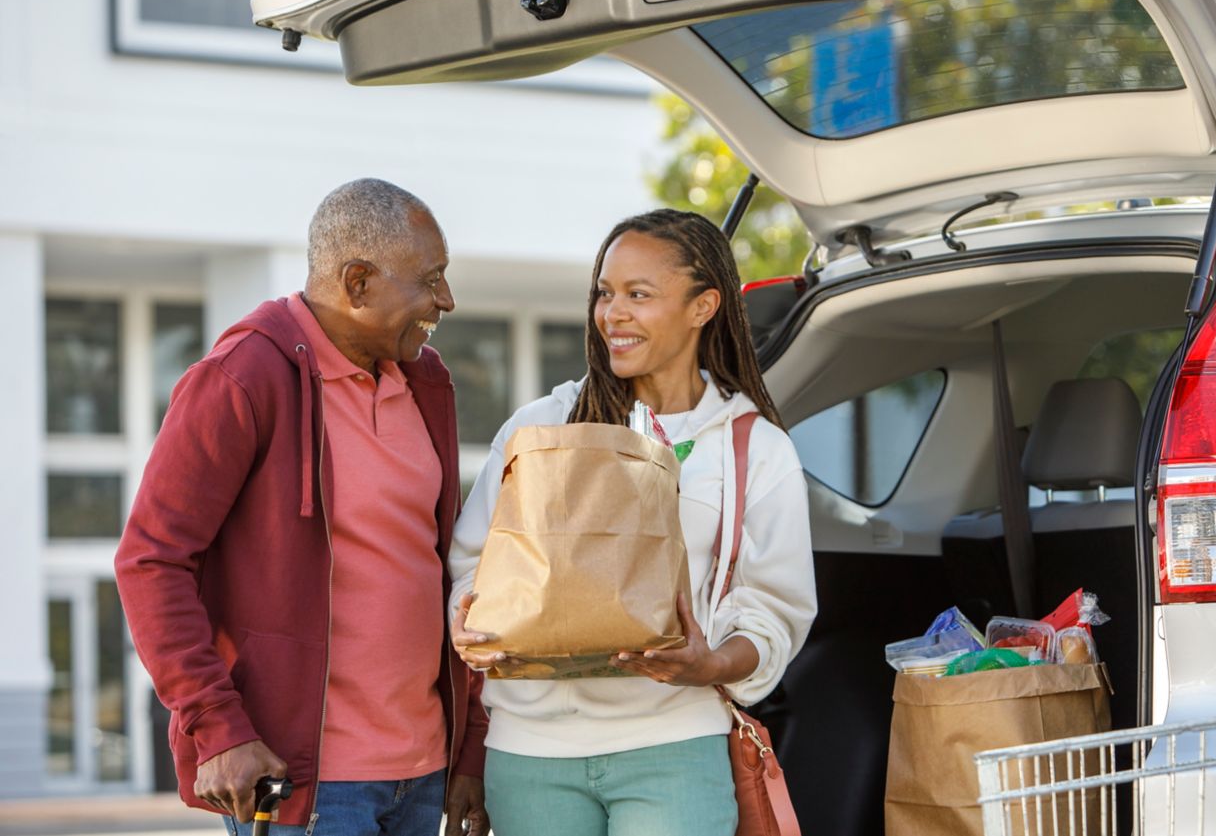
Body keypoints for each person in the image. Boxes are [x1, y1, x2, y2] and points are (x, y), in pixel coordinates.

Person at [115, 178, 489, 836]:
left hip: (424, 775)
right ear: (358, 281)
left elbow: (448, 571)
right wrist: (217, 726)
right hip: (307, 782)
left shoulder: (427, 382)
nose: (446, 300)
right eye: (430, 279)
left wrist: (467, 750)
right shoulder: (243, 376)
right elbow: (151, 560)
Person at [447, 208, 817, 835]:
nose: (611, 313)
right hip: (530, 754)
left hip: (673, 745)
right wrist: (470, 618)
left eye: (638, 295)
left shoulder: (756, 450)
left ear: (703, 307)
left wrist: (713, 664)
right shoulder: (539, 431)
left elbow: (775, 608)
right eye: (604, 293)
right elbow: (471, 564)